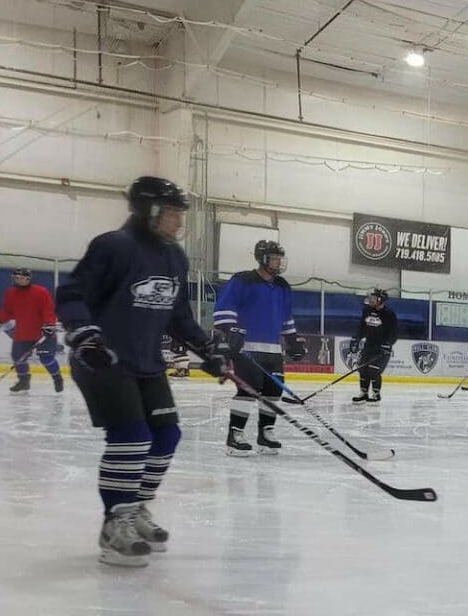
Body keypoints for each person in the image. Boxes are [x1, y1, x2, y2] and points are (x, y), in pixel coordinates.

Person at [54, 176, 231, 567]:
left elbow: (178, 316)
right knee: (131, 437)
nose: (179, 223)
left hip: (148, 364)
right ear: (150, 211)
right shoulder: (113, 247)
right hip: (104, 360)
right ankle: (114, 521)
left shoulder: (175, 257)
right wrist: (85, 335)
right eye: (172, 214)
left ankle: (135, 507)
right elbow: (72, 294)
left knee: (167, 435)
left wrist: (207, 349)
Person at [213, 240, 305, 456]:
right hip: (247, 348)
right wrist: (230, 329)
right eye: (274, 258)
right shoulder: (243, 280)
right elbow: (224, 307)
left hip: (273, 349)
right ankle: (235, 436)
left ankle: (266, 433)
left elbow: (286, 317)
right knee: (248, 389)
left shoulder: (282, 286)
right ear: (262, 259)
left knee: (274, 391)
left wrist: (292, 342)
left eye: (279, 258)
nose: (278, 263)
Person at [0, 267, 63, 394]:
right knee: (17, 357)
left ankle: (57, 377)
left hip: (43, 333)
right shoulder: (11, 293)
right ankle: (24, 381)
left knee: (46, 357)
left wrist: (49, 325)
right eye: (17, 278)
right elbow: (7, 311)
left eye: (22, 278)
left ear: (29, 279)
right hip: (23, 332)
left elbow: (48, 310)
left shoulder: (41, 292)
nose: (19, 280)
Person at [350, 289, 397, 404]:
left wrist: (388, 344)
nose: (371, 300)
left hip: (382, 348)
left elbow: (394, 333)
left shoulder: (389, 314)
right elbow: (362, 327)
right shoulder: (367, 310)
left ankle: (376, 394)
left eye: (374, 298)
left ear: (380, 300)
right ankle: (364, 393)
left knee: (373, 370)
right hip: (369, 345)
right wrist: (356, 338)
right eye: (371, 298)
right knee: (362, 368)